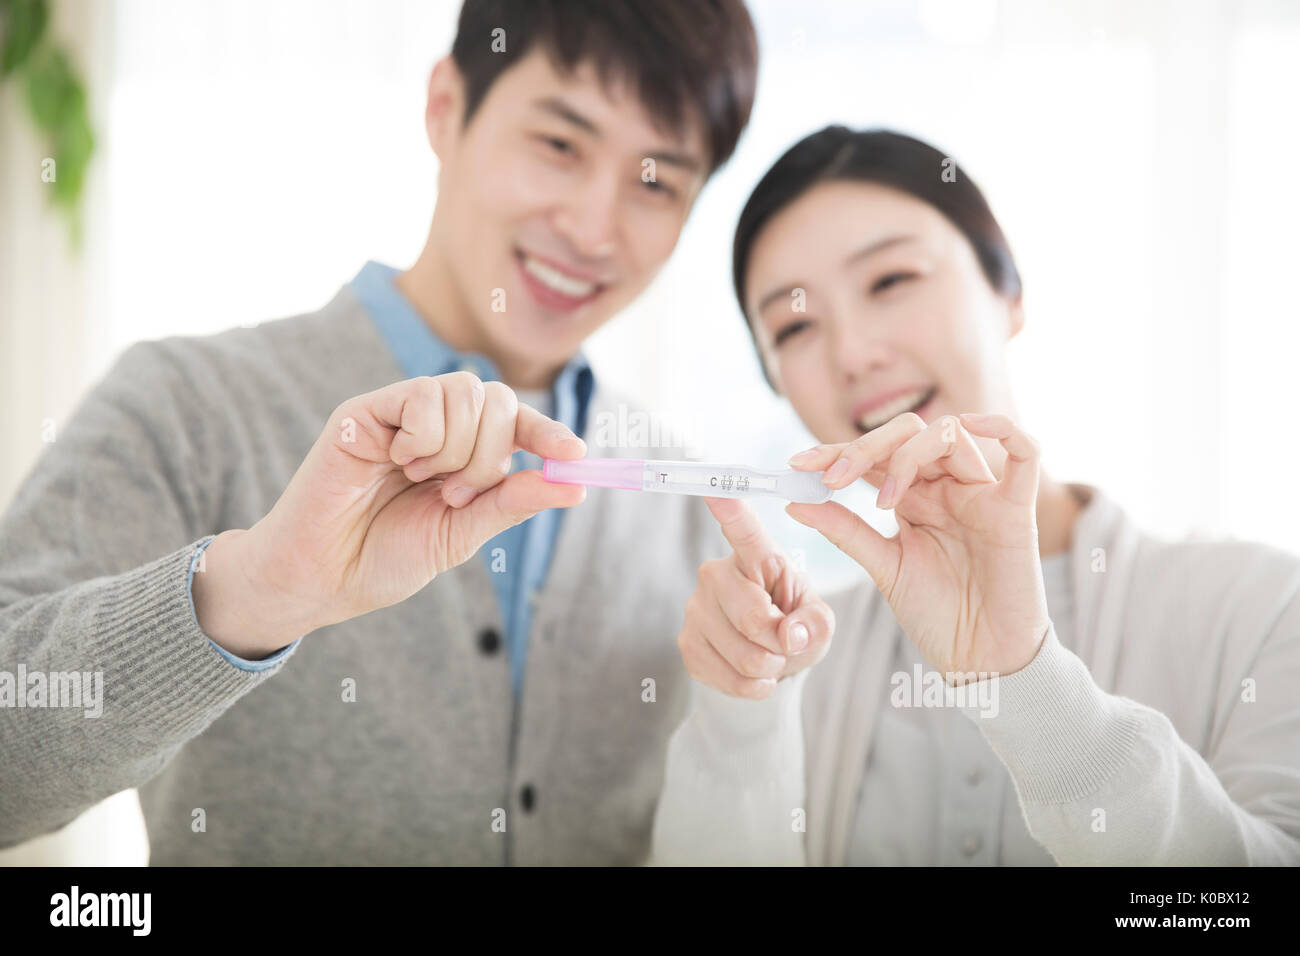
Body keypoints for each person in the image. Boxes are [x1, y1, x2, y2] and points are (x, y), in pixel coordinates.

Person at [0, 0, 757, 865]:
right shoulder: (188, 406)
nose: (593, 228)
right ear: (445, 107)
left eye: (656, 180)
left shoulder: (689, 506)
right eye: (559, 144)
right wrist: (255, 593)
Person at [650, 126, 1300, 865]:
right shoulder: (795, 659)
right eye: (795, 326)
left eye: (891, 281)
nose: (854, 353)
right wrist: (739, 720)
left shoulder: (1265, 608)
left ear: (1008, 293)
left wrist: (1025, 679)